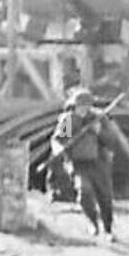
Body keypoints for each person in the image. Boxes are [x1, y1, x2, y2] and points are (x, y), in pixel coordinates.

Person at [50, 87, 118, 238]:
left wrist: (99, 131)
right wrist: (59, 149)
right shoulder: (68, 120)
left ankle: (108, 229)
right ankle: (93, 223)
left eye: (86, 106)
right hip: (78, 163)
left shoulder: (99, 118)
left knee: (105, 196)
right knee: (84, 192)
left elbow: (112, 140)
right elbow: (58, 140)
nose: (83, 109)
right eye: (80, 106)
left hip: (99, 162)